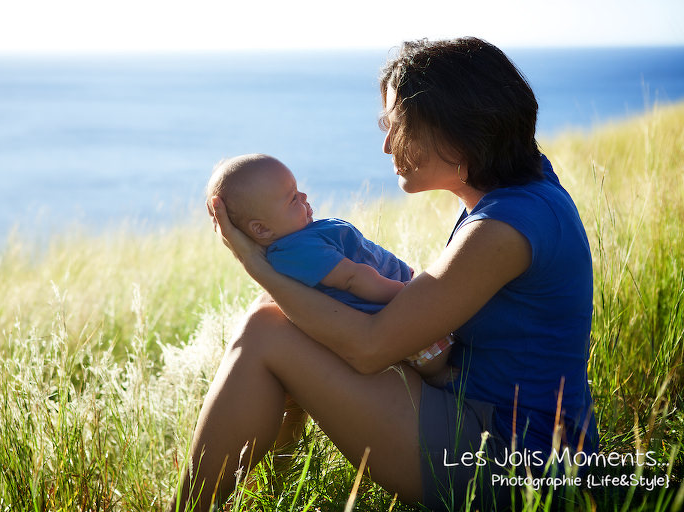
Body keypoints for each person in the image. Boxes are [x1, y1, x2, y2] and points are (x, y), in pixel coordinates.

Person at [170, 36, 597, 511]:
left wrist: (255, 264)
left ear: (454, 127)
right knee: (279, 317)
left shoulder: (504, 227)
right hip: (485, 418)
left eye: (398, 125)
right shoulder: (522, 190)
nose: (387, 143)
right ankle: (271, 496)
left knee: (267, 329)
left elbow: (371, 347)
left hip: (515, 464)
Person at [205, 153, 454, 374]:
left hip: (397, 311)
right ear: (261, 229)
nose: (303, 196)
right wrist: (406, 293)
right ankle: (438, 376)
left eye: (298, 190)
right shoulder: (297, 250)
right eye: (292, 199)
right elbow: (353, 278)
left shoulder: (303, 238)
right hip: (397, 316)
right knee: (440, 363)